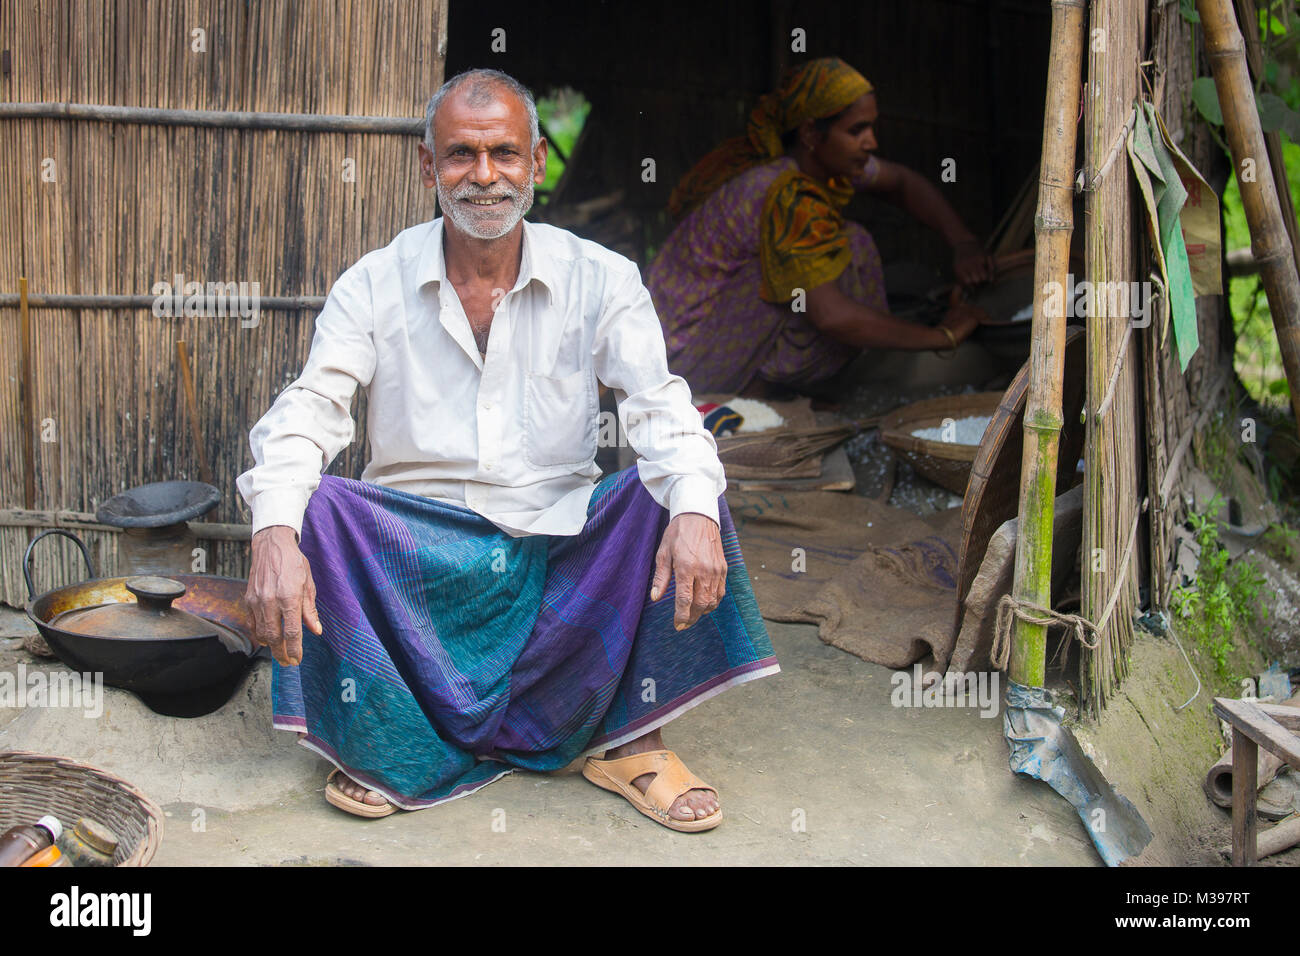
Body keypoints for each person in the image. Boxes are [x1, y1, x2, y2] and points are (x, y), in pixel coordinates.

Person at [236, 68, 778, 833]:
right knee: (311, 504)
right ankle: (390, 742)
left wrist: (695, 511)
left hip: (557, 548)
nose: (484, 177)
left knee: (681, 485)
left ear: (537, 166)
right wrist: (272, 530)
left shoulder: (601, 278)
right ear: (428, 167)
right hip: (417, 563)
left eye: (505, 155)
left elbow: (661, 410)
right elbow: (310, 410)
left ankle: (632, 741)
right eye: (460, 155)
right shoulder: (374, 282)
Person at [647, 57, 991, 396]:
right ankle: (753, 391)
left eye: (871, 127)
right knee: (821, 266)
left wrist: (962, 242)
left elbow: (901, 182)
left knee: (848, 244)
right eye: (857, 130)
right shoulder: (784, 193)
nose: (871, 142)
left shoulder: (816, 166)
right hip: (679, 362)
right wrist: (942, 336)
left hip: (696, 340)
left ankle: (772, 382)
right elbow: (830, 315)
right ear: (812, 133)